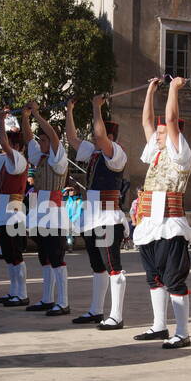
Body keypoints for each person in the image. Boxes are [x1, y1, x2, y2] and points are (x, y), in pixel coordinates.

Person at [131, 77, 191, 348]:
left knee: (173, 278)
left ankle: (182, 331)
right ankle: (159, 326)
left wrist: (174, 89)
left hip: (170, 223)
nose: (157, 136)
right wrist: (149, 90)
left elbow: (170, 119)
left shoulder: (180, 152)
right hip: (149, 223)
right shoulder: (156, 152)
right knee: (154, 277)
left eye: (162, 134)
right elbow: (147, 122)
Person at [67, 95, 130, 329]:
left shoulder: (116, 154)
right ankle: (96, 310)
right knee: (97, 265)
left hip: (107, 217)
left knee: (113, 265)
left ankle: (117, 315)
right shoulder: (94, 153)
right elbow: (72, 138)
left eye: (99, 135)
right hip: (92, 217)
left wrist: (96, 108)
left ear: (111, 137)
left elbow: (100, 135)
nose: (94, 138)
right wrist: (69, 110)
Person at [24, 101, 72, 316]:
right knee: (44, 258)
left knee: (56, 259)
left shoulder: (58, 158)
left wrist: (37, 113)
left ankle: (63, 302)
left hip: (54, 216)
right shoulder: (40, 157)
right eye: (40, 139)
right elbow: (28, 139)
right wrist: (25, 117)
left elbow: (52, 135)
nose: (41, 142)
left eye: (43, 139)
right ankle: (47, 298)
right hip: (39, 214)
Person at [0, 109, 30, 306]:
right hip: (4, 208)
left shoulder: (19, 159)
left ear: (18, 146)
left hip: (14, 208)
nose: (8, 147)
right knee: (7, 253)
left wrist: (0, 121)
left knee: (15, 253)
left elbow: (3, 144)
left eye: (12, 144)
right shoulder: (7, 162)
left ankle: (22, 293)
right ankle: (14, 290)